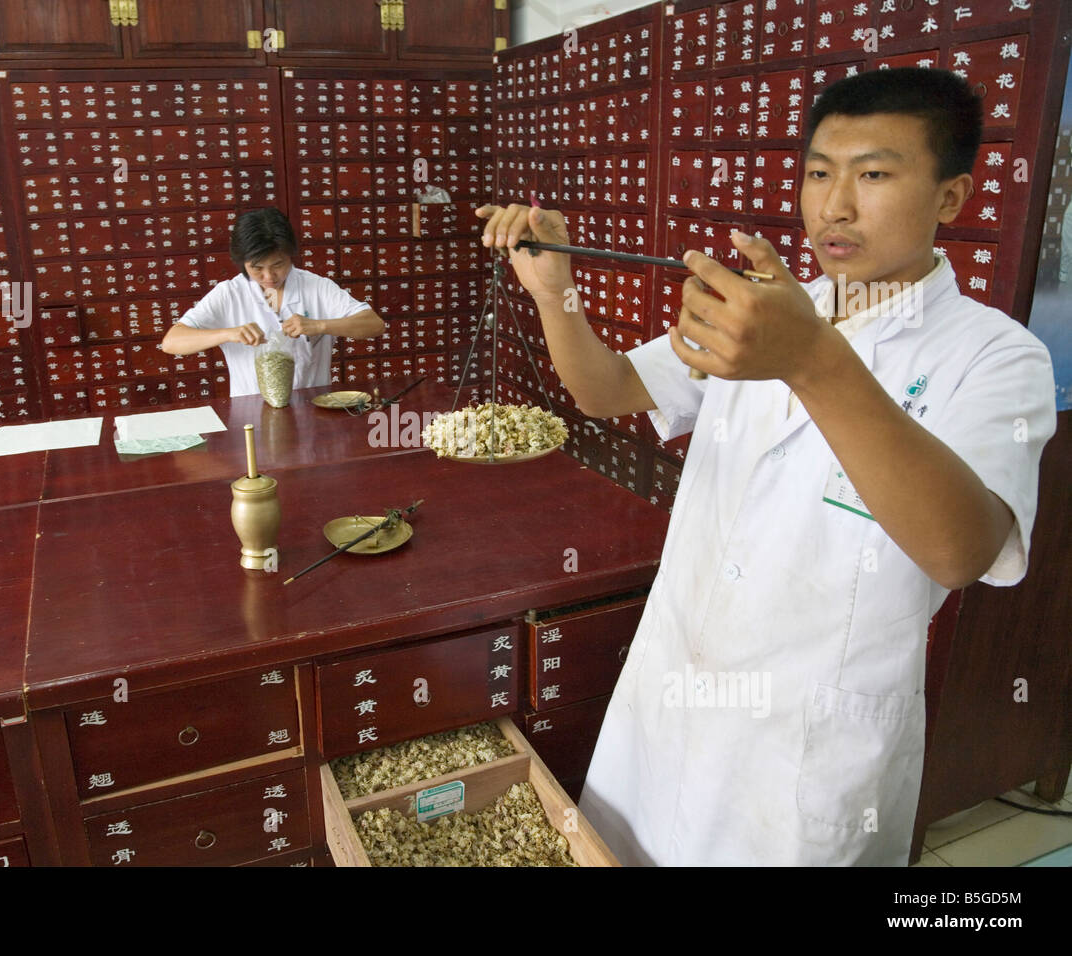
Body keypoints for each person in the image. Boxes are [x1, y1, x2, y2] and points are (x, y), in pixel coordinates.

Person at [477, 67, 1056, 865]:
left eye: (875, 174)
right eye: (819, 173)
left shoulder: (995, 356)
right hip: (671, 699)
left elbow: (961, 553)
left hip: (801, 760)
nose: (835, 205)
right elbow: (607, 389)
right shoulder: (761, 309)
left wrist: (813, 362)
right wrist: (555, 295)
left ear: (951, 198)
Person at [161, 207, 385, 396]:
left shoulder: (317, 287)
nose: (269, 277)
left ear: (290, 255)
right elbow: (172, 341)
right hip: (251, 415)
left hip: (313, 411)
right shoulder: (229, 293)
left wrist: (320, 325)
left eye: (278, 265)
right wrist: (228, 334)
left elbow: (375, 324)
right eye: (257, 268)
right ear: (242, 263)